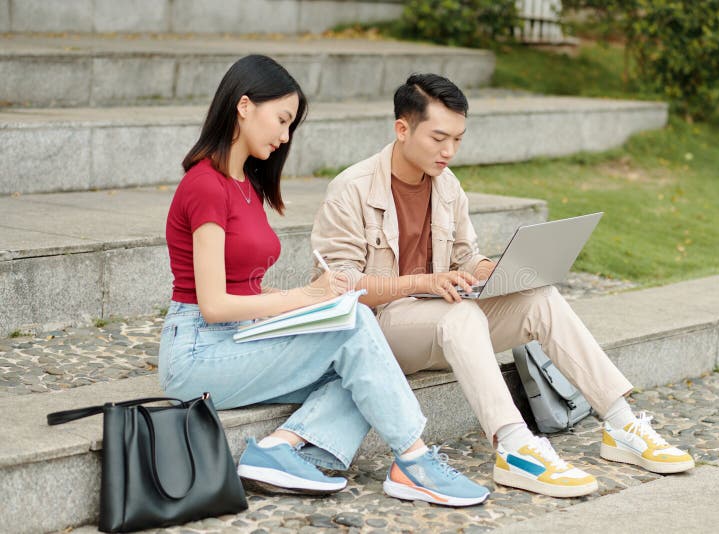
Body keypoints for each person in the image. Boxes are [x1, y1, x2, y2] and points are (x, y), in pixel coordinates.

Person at [310, 73, 695, 499]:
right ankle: (514, 447)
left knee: (538, 297)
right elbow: (338, 286)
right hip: (382, 331)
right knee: (462, 315)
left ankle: (622, 423)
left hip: (445, 320)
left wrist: (492, 269)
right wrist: (424, 282)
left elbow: (464, 257)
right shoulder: (351, 189)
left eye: (458, 139)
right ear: (402, 129)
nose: (449, 151)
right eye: (439, 138)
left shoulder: (447, 186)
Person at [158, 56, 489, 507]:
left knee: (363, 365)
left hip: (236, 338)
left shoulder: (244, 184)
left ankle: (280, 447)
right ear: (243, 106)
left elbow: (242, 287)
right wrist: (305, 297)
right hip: (198, 350)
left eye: (290, 124)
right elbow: (212, 304)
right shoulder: (205, 186)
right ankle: (414, 459)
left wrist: (311, 300)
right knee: (354, 324)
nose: (284, 136)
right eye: (281, 120)